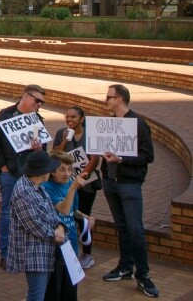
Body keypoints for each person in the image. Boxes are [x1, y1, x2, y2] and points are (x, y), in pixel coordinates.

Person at [100, 84, 158, 298]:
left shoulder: (137, 124)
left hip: (129, 184)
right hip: (110, 182)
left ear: (120, 100)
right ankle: (125, 267)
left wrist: (121, 159)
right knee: (122, 227)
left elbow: (147, 156)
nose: (106, 100)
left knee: (135, 229)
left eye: (109, 97)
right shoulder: (110, 123)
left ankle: (143, 274)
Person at [0, 83, 48, 269]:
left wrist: (39, 149)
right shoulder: (5, 114)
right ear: (26, 96)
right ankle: (5, 253)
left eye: (41, 102)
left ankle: (25, 250)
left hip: (31, 175)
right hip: (10, 174)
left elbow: (44, 148)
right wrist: (3, 166)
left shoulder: (38, 119)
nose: (39, 105)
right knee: (7, 212)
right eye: (37, 101)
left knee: (32, 212)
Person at [5, 150, 67, 301]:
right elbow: (34, 225)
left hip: (44, 249)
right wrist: (56, 234)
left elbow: (52, 212)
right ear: (42, 172)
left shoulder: (38, 186)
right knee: (36, 295)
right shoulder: (23, 191)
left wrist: (59, 226)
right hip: (33, 251)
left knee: (38, 293)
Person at [41, 152, 95, 301]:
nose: (67, 174)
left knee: (70, 292)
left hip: (71, 246)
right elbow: (63, 209)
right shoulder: (46, 188)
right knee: (54, 291)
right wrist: (73, 188)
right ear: (52, 171)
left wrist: (86, 217)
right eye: (62, 170)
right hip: (55, 249)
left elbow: (72, 211)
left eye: (69, 170)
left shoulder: (70, 185)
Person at [52, 105, 100, 269]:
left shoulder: (90, 134)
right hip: (66, 183)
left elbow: (95, 159)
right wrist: (65, 140)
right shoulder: (61, 133)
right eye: (67, 117)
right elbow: (55, 154)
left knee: (83, 217)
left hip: (86, 183)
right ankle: (67, 250)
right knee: (66, 214)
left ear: (82, 119)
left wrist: (81, 177)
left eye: (73, 117)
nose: (69, 120)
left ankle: (87, 253)